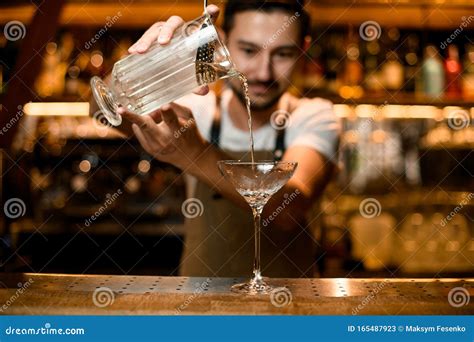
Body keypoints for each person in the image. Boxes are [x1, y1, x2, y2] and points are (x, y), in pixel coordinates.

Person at [91, 0, 340, 278]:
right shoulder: (196, 110)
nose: (264, 72)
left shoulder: (315, 115)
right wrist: (144, 61)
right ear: (221, 40)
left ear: (303, 50)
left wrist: (195, 154)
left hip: (291, 309)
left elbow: (288, 210)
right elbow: (99, 112)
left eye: (283, 54)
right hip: (200, 307)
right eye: (248, 50)